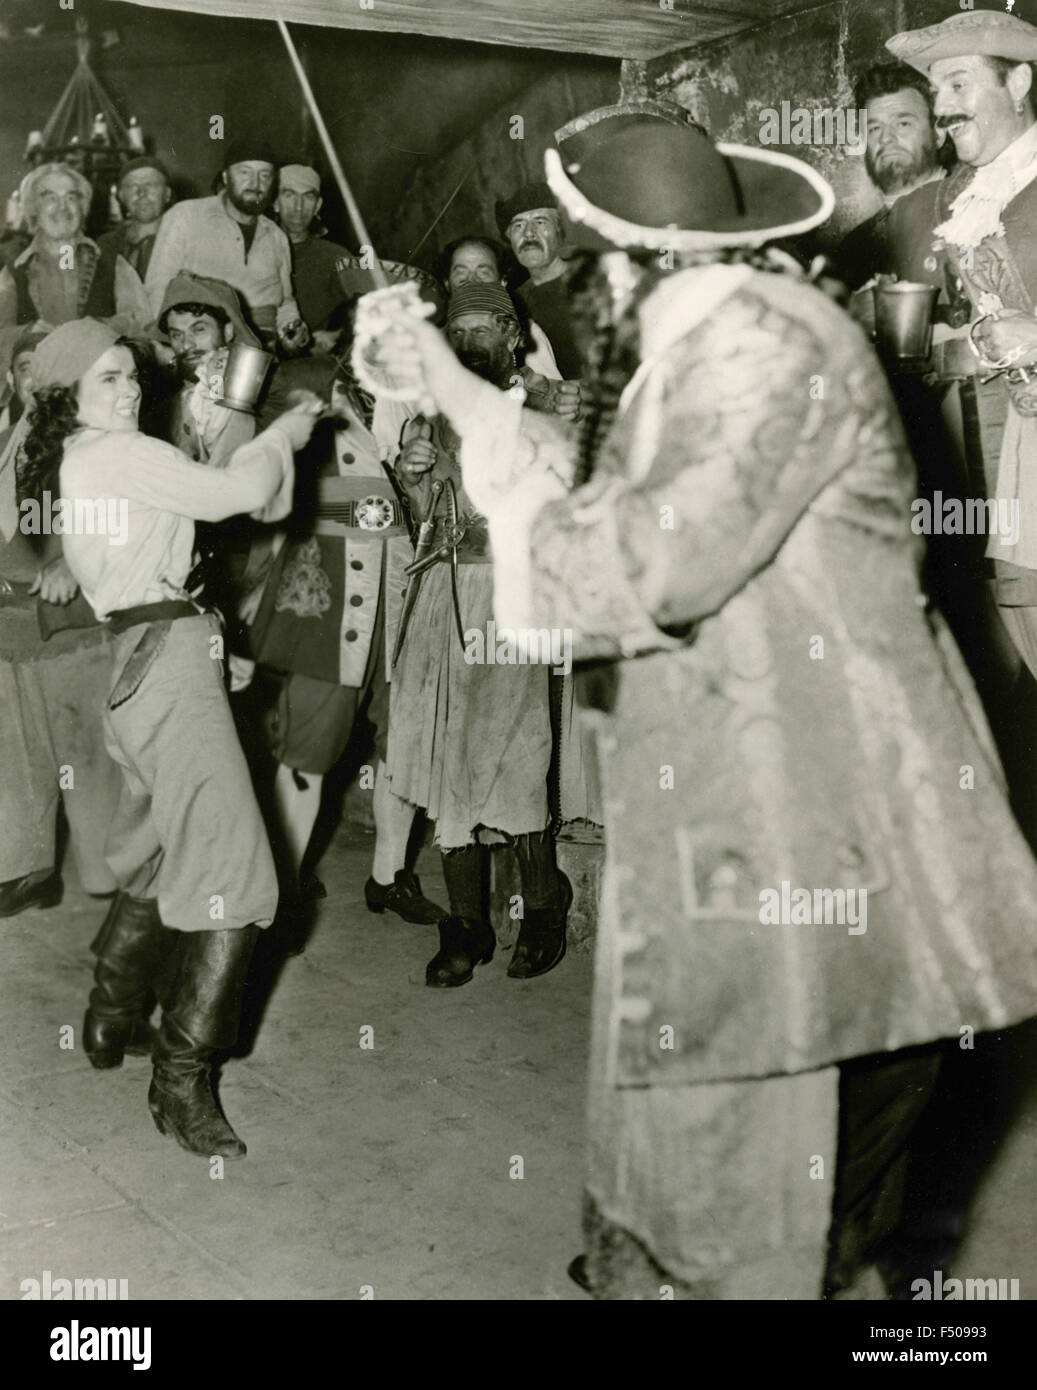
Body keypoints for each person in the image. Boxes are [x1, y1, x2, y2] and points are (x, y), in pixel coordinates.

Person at [366, 96, 1037, 1297]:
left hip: (832, 843)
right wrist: (451, 390)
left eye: (583, 257)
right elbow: (610, 478)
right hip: (763, 819)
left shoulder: (761, 350)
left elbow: (631, 563)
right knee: (745, 1177)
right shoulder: (711, 338)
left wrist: (470, 411)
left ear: (643, 260)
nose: (570, 284)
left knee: (782, 1209)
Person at [19, 318, 320, 1158]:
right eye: (107, 379)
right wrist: (287, 428)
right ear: (69, 396)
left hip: (140, 662)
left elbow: (207, 502)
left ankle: (111, 1020)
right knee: (238, 875)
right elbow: (238, 496)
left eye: (128, 375)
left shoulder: (86, 457)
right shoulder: (117, 454)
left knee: (156, 848)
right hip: (168, 668)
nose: (126, 390)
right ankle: (183, 1081)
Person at [388, 281, 570, 987]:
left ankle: (543, 902)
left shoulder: (548, 402)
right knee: (449, 756)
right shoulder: (432, 411)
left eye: (484, 330)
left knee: (519, 751)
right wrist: (411, 476)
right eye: (457, 332)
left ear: (513, 337)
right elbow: (411, 509)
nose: (469, 344)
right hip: (443, 593)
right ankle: (466, 925)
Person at [247, 350, 445, 944]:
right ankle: (279, 888)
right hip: (325, 598)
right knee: (308, 749)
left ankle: (389, 875)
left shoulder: (418, 401)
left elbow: (421, 504)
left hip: (400, 594)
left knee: (402, 742)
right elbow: (256, 476)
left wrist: (414, 478)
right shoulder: (306, 381)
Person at [885, 9, 1037, 693]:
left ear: (1019, 82)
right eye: (935, 93)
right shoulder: (968, 197)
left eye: (956, 84)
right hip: (1017, 451)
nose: (941, 109)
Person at [0, 324, 122, 918]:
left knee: (81, 754)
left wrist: (61, 564)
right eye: (24, 368)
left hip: (66, 617)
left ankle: (119, 884)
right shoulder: (13, 436)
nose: (33, 380)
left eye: (43, 370)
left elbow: (82, 526)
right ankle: (29, 863)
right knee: (21, 747)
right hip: (18, 610)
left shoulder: (71, 441)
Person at [144, 139, 300, 349]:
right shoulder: (186, 216)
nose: (255, 184)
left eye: (264, 175)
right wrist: (165, 347)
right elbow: (157, 289)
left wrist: (292, 327)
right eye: (244, 173)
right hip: (199, 349)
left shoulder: (276, 236)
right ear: (226, 177)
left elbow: (285, 302)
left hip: (260, 354)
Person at [830, 62, 949, 293]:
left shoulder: (974, 213)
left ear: (939, 134)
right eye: (874, 129)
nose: (886, 139)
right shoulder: (854, 248)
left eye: (902, 124)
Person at [0, 162, 150, 330]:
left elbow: (142, 322)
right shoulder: (13, 272)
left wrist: (98, 327)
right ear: (33, 207)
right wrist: (27, 332)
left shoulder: (113, 264)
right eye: (51, 198)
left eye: (71, 198)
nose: (63, 207)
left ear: (82, 207)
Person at [496, 181, 582, 379]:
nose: (528, 233)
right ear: (509, 237)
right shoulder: (512, 302)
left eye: (540, 222)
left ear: (560, 231)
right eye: (518, 225)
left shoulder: (590, 282)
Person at [274, 163, 351, 344]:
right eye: (289, 195)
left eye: (307, 197)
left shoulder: (335, 257)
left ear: (318, 205)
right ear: (275, 203)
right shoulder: (251, 251)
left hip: (309, 366)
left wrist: (337, 336)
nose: (299, 206)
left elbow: (372, 309)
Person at [96, 156, 172, 290]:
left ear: (167, 194)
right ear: (121, 196)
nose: (142, 193)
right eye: (132, 186)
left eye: (151, 185)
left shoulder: (184, 241)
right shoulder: (106, 246)